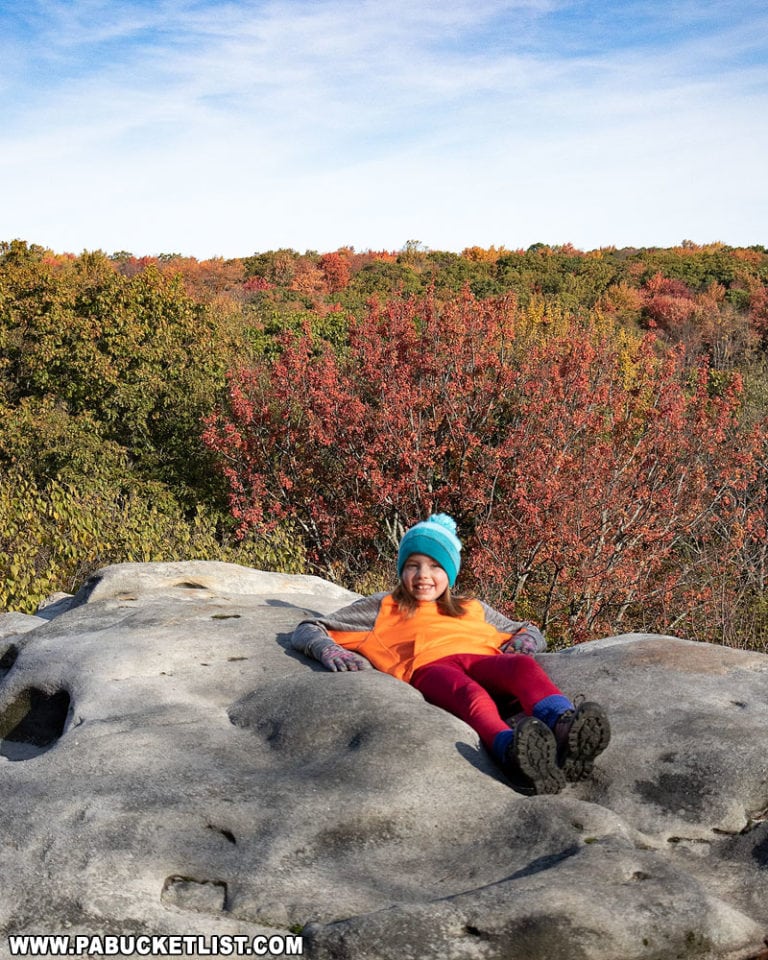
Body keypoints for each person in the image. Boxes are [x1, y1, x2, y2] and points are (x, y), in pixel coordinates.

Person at [290, 514, 610, 795]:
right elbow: (310, 627)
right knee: (468, 693)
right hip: (430, 669)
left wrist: (524, 643)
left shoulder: (472, 608)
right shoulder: (382, 606)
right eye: (413, 565)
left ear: (451, 573)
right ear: (402, 570)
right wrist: (328, 649)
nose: (423, 575)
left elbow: (527, 629)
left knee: (522, 666)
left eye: (435, 566)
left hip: (484, 662)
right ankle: (510, 750)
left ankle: (564, 727)